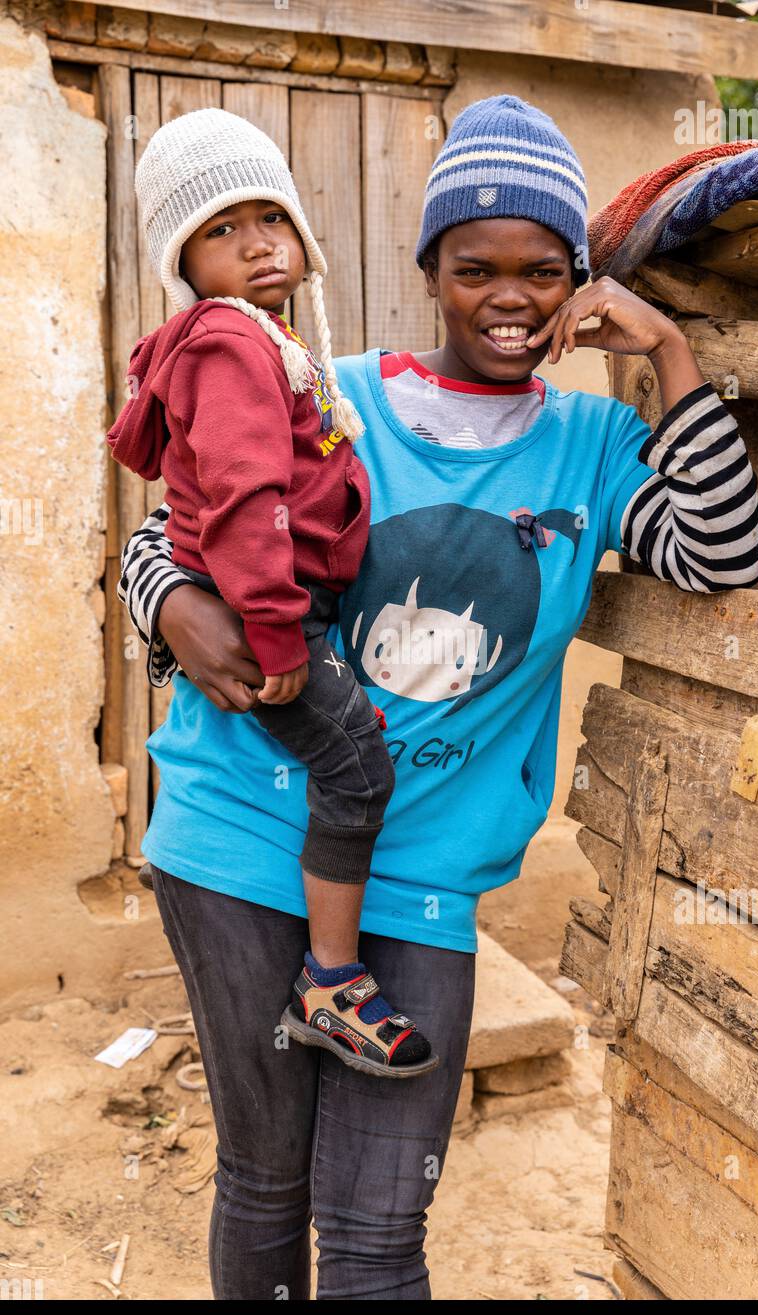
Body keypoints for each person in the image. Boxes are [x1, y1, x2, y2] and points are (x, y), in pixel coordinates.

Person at [117, 94, 758, 1300]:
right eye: (476, 268)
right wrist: (166, 604)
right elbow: (171, 535)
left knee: (378, 1234)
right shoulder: (325, 394)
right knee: (265, 1182)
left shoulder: (592, 443)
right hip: (243, 835)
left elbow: (721, 552)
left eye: (542, 270)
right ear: (431, 271)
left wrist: (667, 355)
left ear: (579, 281)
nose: (509, 298)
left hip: (423, 877)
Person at [107, 107, 436, 1077]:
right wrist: (281, 638)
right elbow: (249, 505)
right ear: (182, 257)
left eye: (271, 218)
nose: (257, 244)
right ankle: (332, 979)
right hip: (263, 617)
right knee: (359, 771)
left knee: (343, 767)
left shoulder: (271, 347)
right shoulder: (231, 347)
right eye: (221, 229)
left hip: (264, 605)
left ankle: (327, 968)